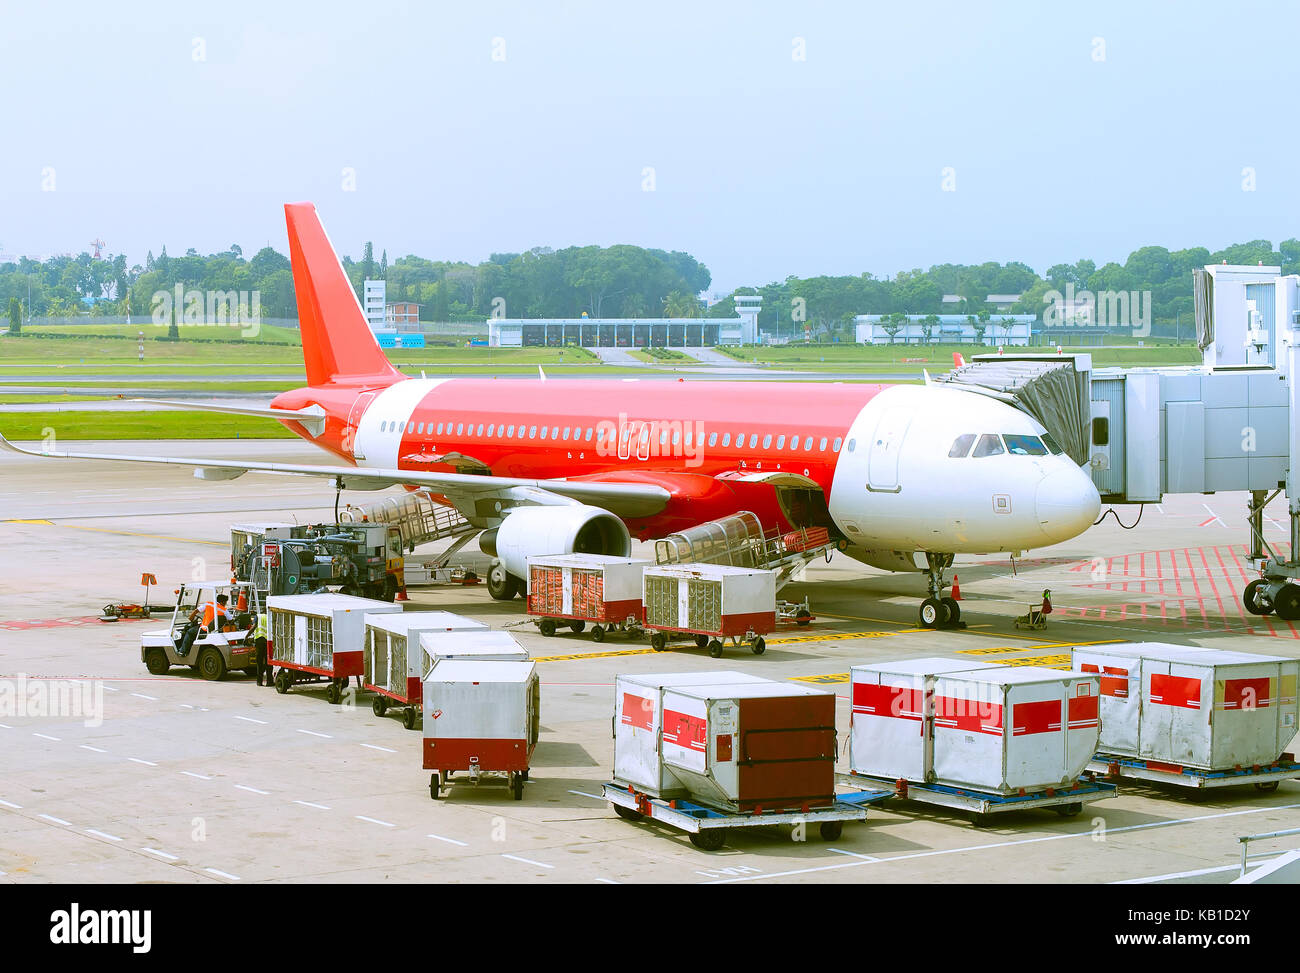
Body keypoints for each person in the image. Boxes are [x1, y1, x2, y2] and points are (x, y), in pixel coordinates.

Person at [253, 611, 271, 686]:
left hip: (259, 641)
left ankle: (259, 681)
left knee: (259, 662)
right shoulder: (270, 617)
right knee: (268, 662)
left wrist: (247, 636)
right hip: (268, 642)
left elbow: (253, 626)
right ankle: (269, 681)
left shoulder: (258, 616)